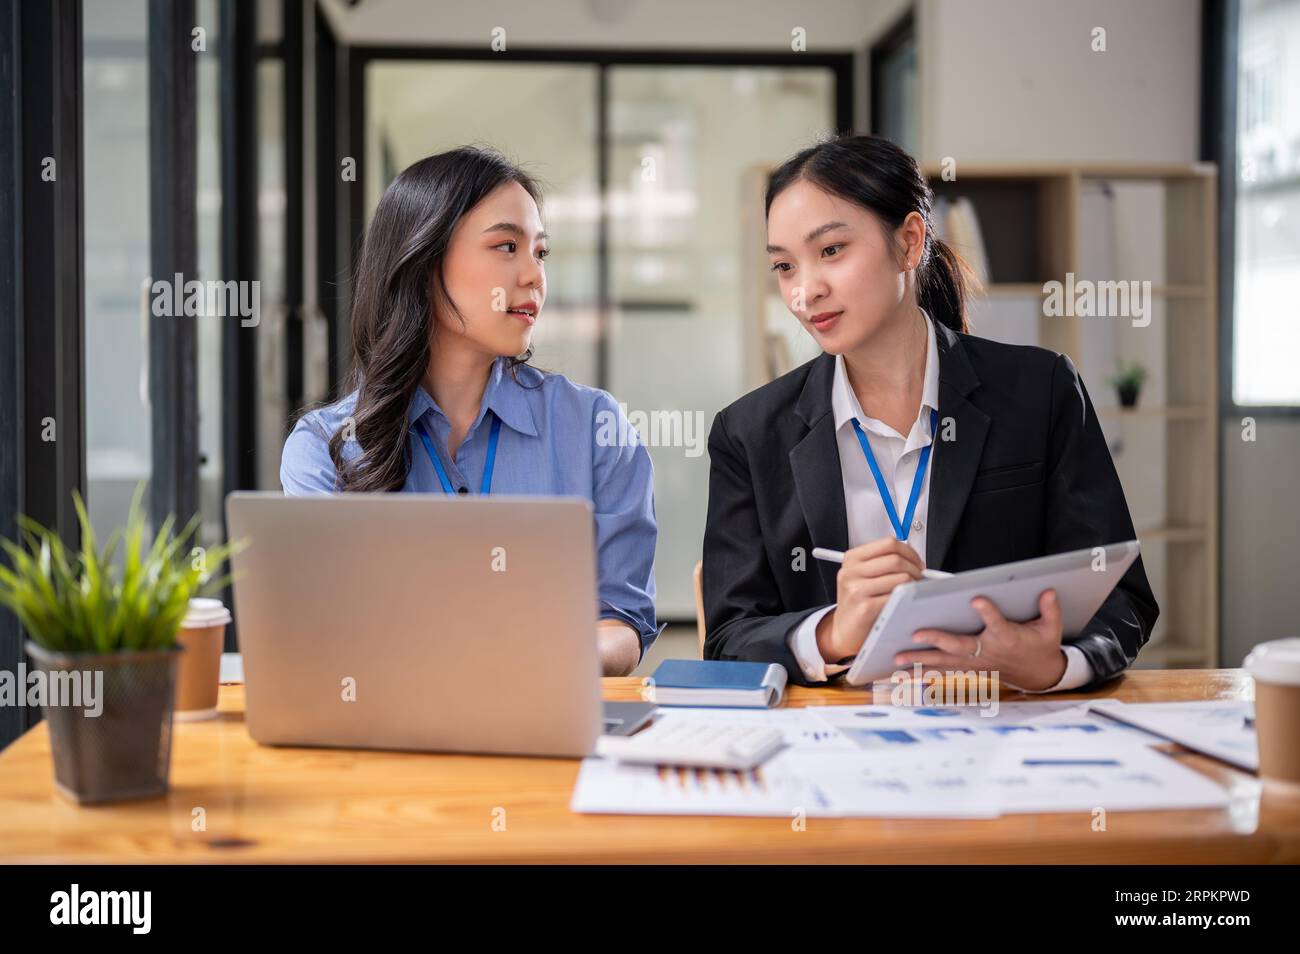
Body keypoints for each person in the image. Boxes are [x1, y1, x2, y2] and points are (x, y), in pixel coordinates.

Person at [702, 134, 1157, 690]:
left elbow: (1122, 596)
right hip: (836, 739)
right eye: (784, 267)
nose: (805, 292)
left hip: (1006, 726)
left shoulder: (1041, 392)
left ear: (910, 242)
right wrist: (833, 634)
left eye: (830, 251)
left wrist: (1055, 666)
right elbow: (727, 640)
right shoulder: (749, 433)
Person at [281, 146, 659, 676]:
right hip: (390, 732)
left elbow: (622, 618)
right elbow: (330, 631)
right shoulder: (325, 447)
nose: (534, 276)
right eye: (507, 246)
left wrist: (549, 658)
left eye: (541, 253)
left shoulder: (595, 429)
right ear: (422, 258)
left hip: (546, 728)